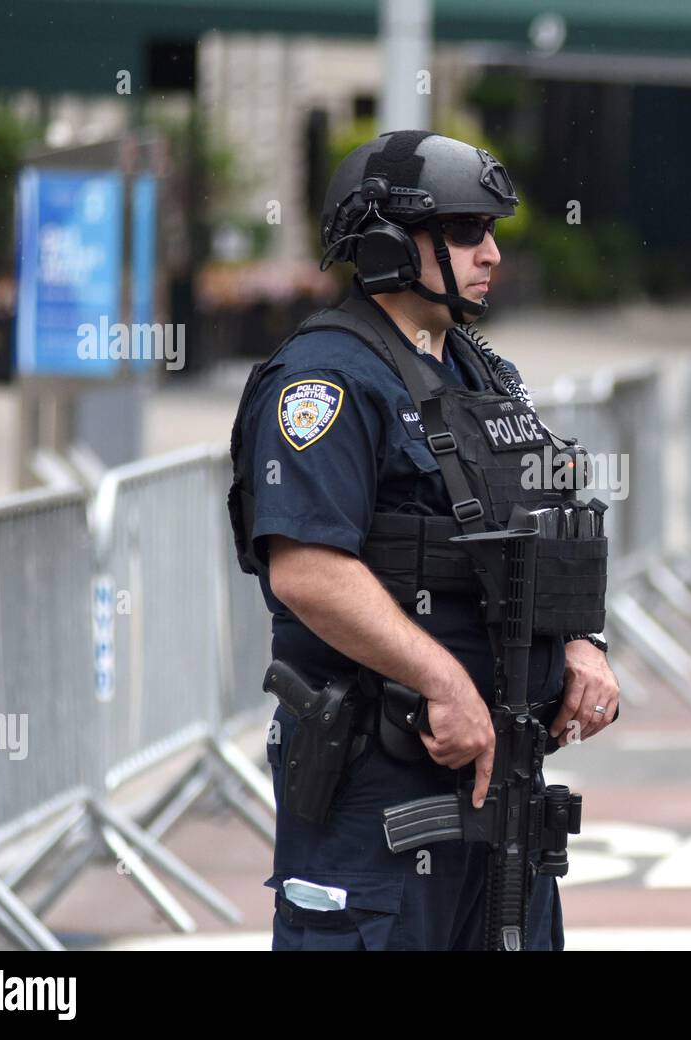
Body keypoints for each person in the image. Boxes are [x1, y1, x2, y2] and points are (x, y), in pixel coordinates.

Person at [227, 130, 619, 951]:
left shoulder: (480, 372)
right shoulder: (325, 379)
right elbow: (307, 570)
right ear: (385, 245)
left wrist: (583, 642)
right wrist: (443, 680)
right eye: (469, 230)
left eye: (492, 231)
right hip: (378, 788)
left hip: (504, 779)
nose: (493, 253)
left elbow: (540, 522)